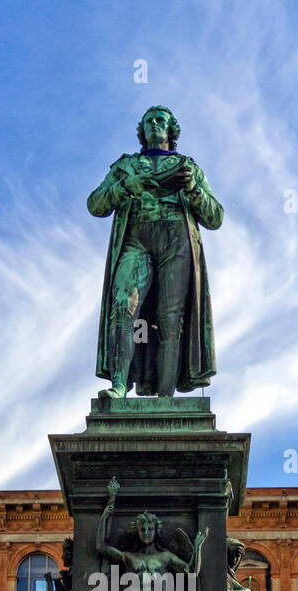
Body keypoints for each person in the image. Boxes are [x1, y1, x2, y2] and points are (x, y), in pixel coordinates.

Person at [87, 105, 223, 398]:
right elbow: (96, 205)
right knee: (123, 307)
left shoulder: (189, 166)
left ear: (172, 129)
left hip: (177, 240)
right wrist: (126, 186)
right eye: (148, 121)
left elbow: (215, 218)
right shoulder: (125, 166)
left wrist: (193, 190)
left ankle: (165, 398)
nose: (154, 124)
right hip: (137, 239)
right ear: (142, 129)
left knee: (170, 318)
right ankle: (120, 385)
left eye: (161, 120)